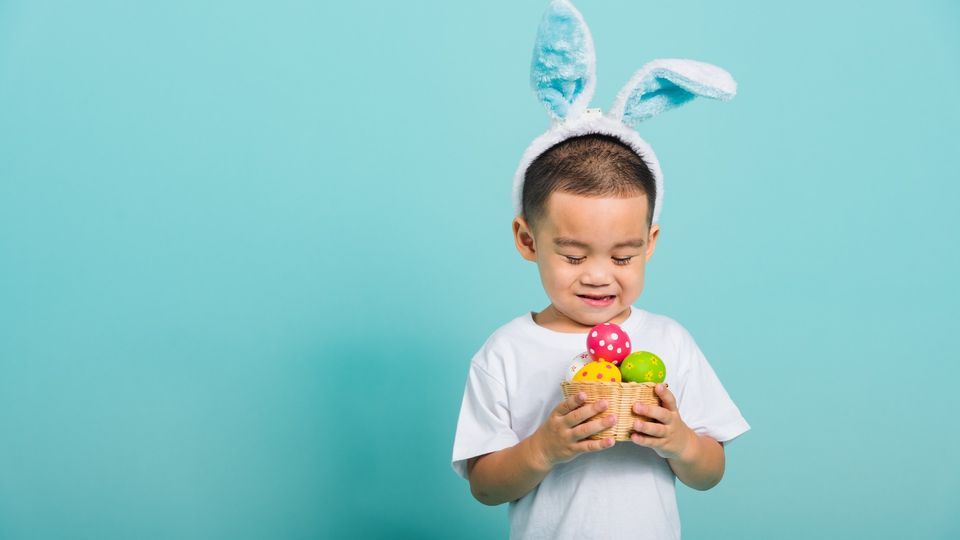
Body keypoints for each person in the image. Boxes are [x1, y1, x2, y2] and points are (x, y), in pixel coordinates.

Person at [450, 2, 749, 538]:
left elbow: (711, 472)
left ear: (650, 244)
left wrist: (678, 440)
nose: (598, 276)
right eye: (573, 255)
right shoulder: (505, 353)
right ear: (527, 240)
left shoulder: (670, 341)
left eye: (622, 256)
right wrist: (545, 448)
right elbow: (485, 487)